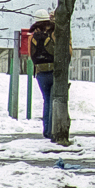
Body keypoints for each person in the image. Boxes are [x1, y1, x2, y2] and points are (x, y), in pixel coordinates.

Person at [29, 9, 56, 139]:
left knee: (46, 100)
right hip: (53, 71)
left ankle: (46, 130)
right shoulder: (52, 33)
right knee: (53, 101)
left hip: (40, 72)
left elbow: (31, 55)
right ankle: (51, 130)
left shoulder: (32, 36)